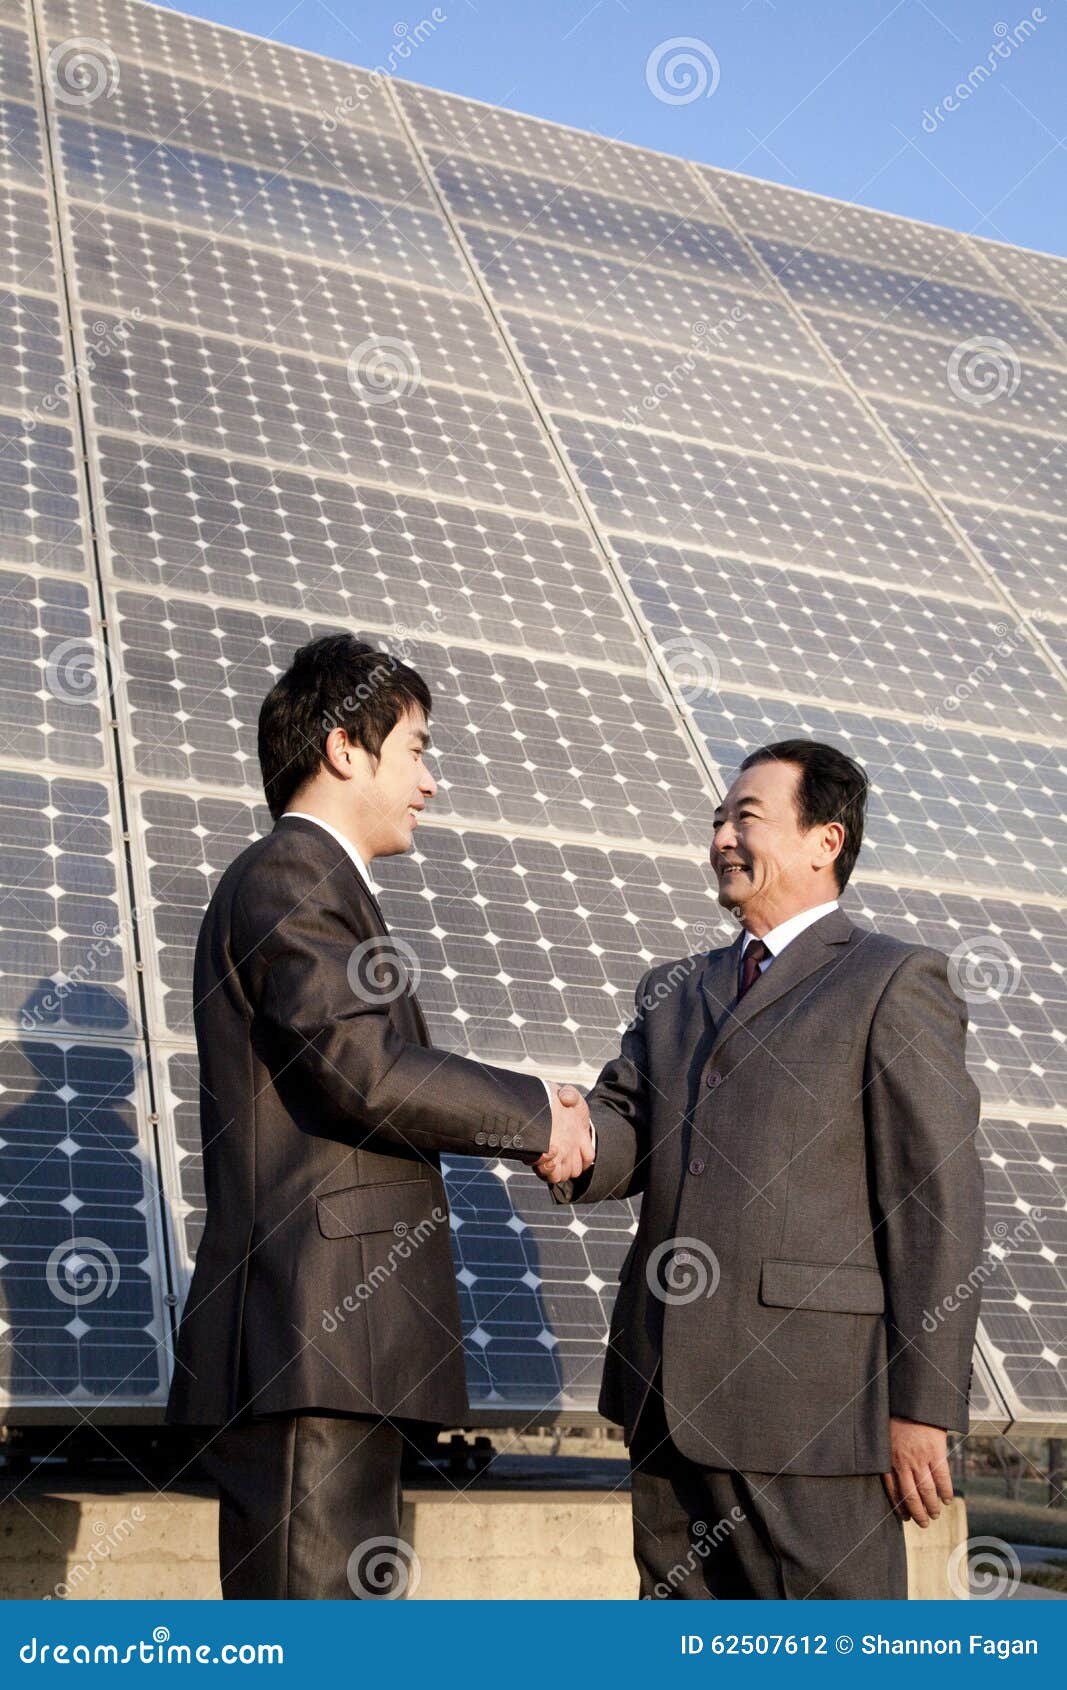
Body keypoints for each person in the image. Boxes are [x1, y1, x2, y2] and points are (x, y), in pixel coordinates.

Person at [165, 632, 593, 1599]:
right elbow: (359, 1069)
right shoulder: (291, 877)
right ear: (342, 749)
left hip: (332, 1351)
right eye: (415, 747)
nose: (429, 780)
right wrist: (538, 1114)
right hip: (310, 1335)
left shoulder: (318, 885)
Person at [547, 740, 984, 1600]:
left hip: (814, 1416)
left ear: (826, 841)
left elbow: (936, 1203)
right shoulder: (673, 988)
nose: (720, 837)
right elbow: (626, 1126)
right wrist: (556, 1129)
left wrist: (923, 1405)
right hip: (663, 1399)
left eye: (745, 816)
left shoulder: (893, 980)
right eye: (716, 821)